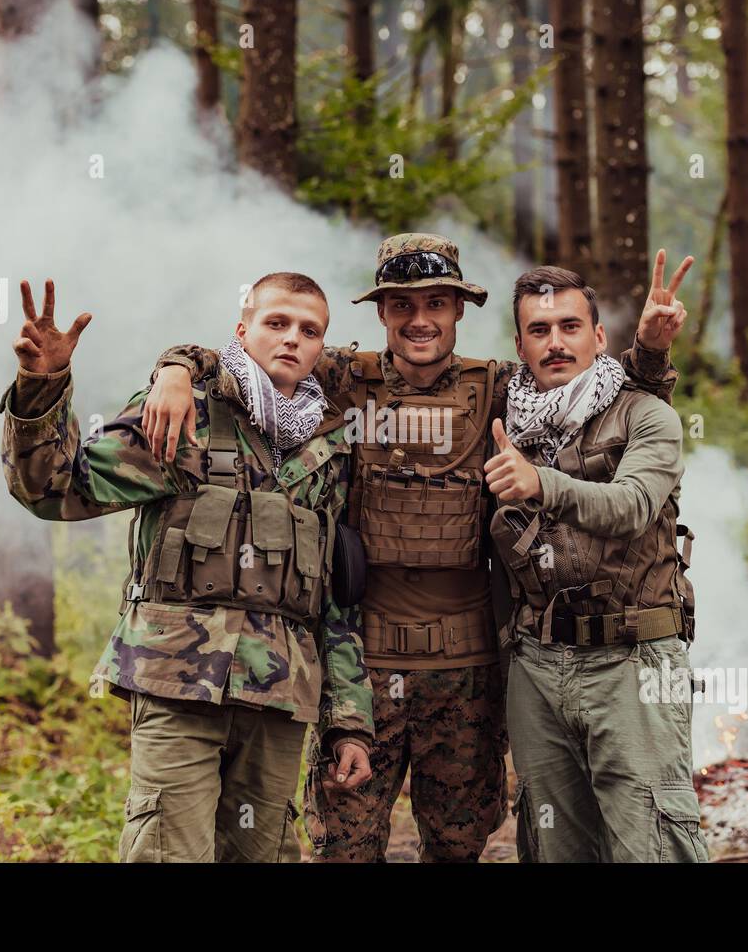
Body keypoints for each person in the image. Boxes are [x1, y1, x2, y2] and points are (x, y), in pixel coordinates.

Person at [138, 236, 683, 862]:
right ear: (381, 313)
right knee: (345, 845)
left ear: (459, 309)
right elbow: (249, 355)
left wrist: (651, 351)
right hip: (362, 663)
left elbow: (601, 395)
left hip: (467, 668)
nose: (420, 319)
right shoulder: (341, 376)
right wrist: (177, 370)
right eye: (402, 305)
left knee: (456, 848)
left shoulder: (501, 386)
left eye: (436, 303)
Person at [0, 273, 373, 862]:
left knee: (264, 856)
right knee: (169, 851)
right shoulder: (187, 413)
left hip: (279, 698)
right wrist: (43, 385)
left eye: (310, 331)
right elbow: (54, 487)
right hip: (177, 682)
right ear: (242, 330)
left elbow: (336, 601)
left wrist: (349, 721)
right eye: (277, 323)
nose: (293, 339)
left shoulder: (329, 446)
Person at [486, 260, 708, 862]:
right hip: (537, 664)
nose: (555, 342)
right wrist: (194, 367)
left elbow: (633, 507)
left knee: (651, 842)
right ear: (519, 345)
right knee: (555, 846)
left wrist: (542, 484)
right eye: (539, 330)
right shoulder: (506, 415)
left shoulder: (647, 415)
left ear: (598, 336)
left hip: (632, 661)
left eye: (569, 326)